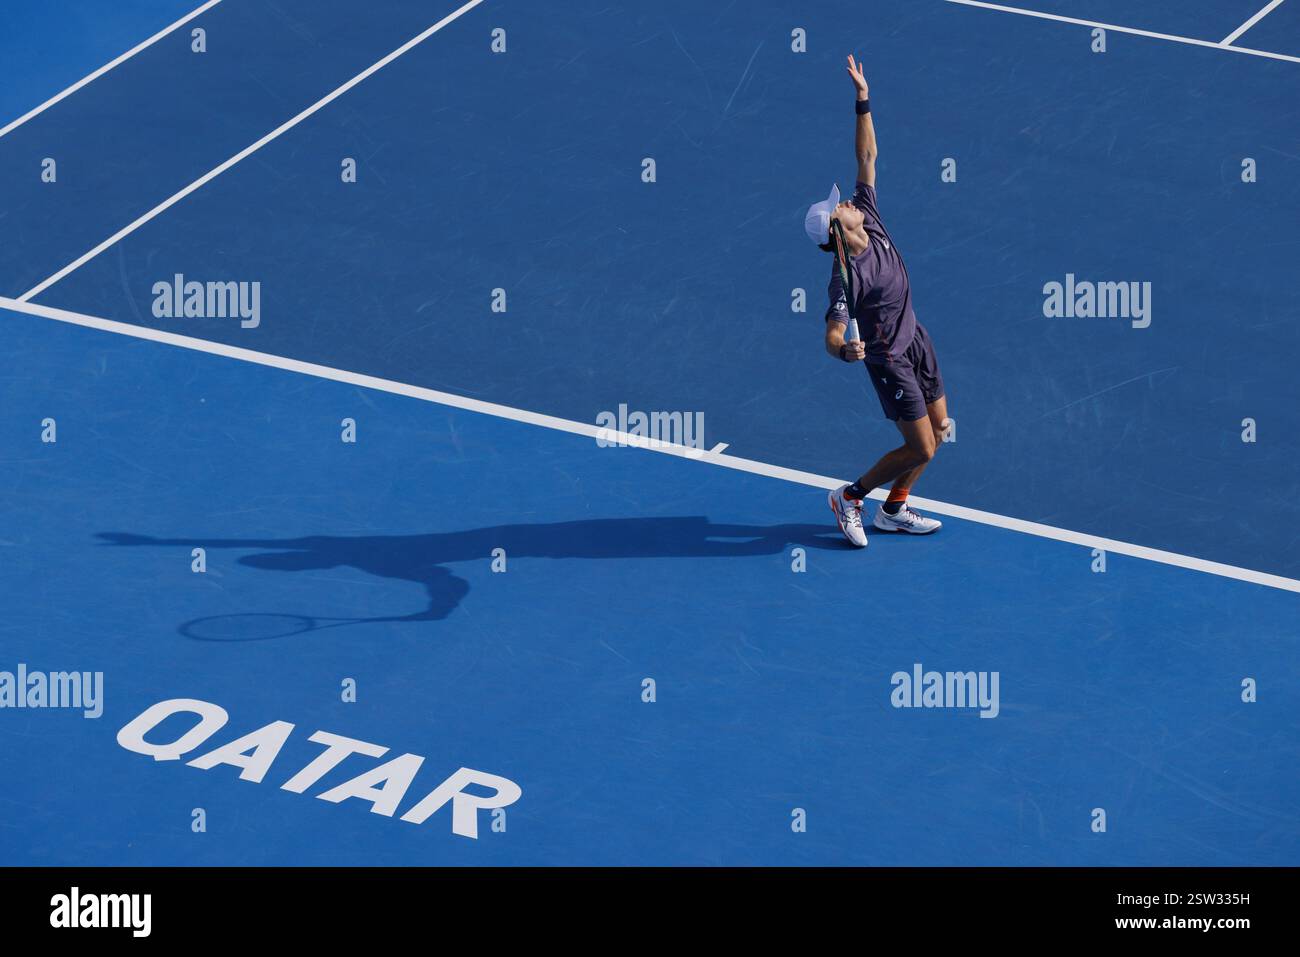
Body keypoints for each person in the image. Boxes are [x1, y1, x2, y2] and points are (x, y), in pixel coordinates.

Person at [804, 55, 949, 549]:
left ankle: (894, 508)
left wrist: (862, 99)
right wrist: (845, 350)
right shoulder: (846, 277)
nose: (845, 200)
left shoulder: (866, 211)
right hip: (890, 359)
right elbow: (831, 334)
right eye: (838, 206)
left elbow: (867, 157)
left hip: (917, 337)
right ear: (835, 231)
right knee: (921, 443)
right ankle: (850, 496)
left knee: (940, 431)